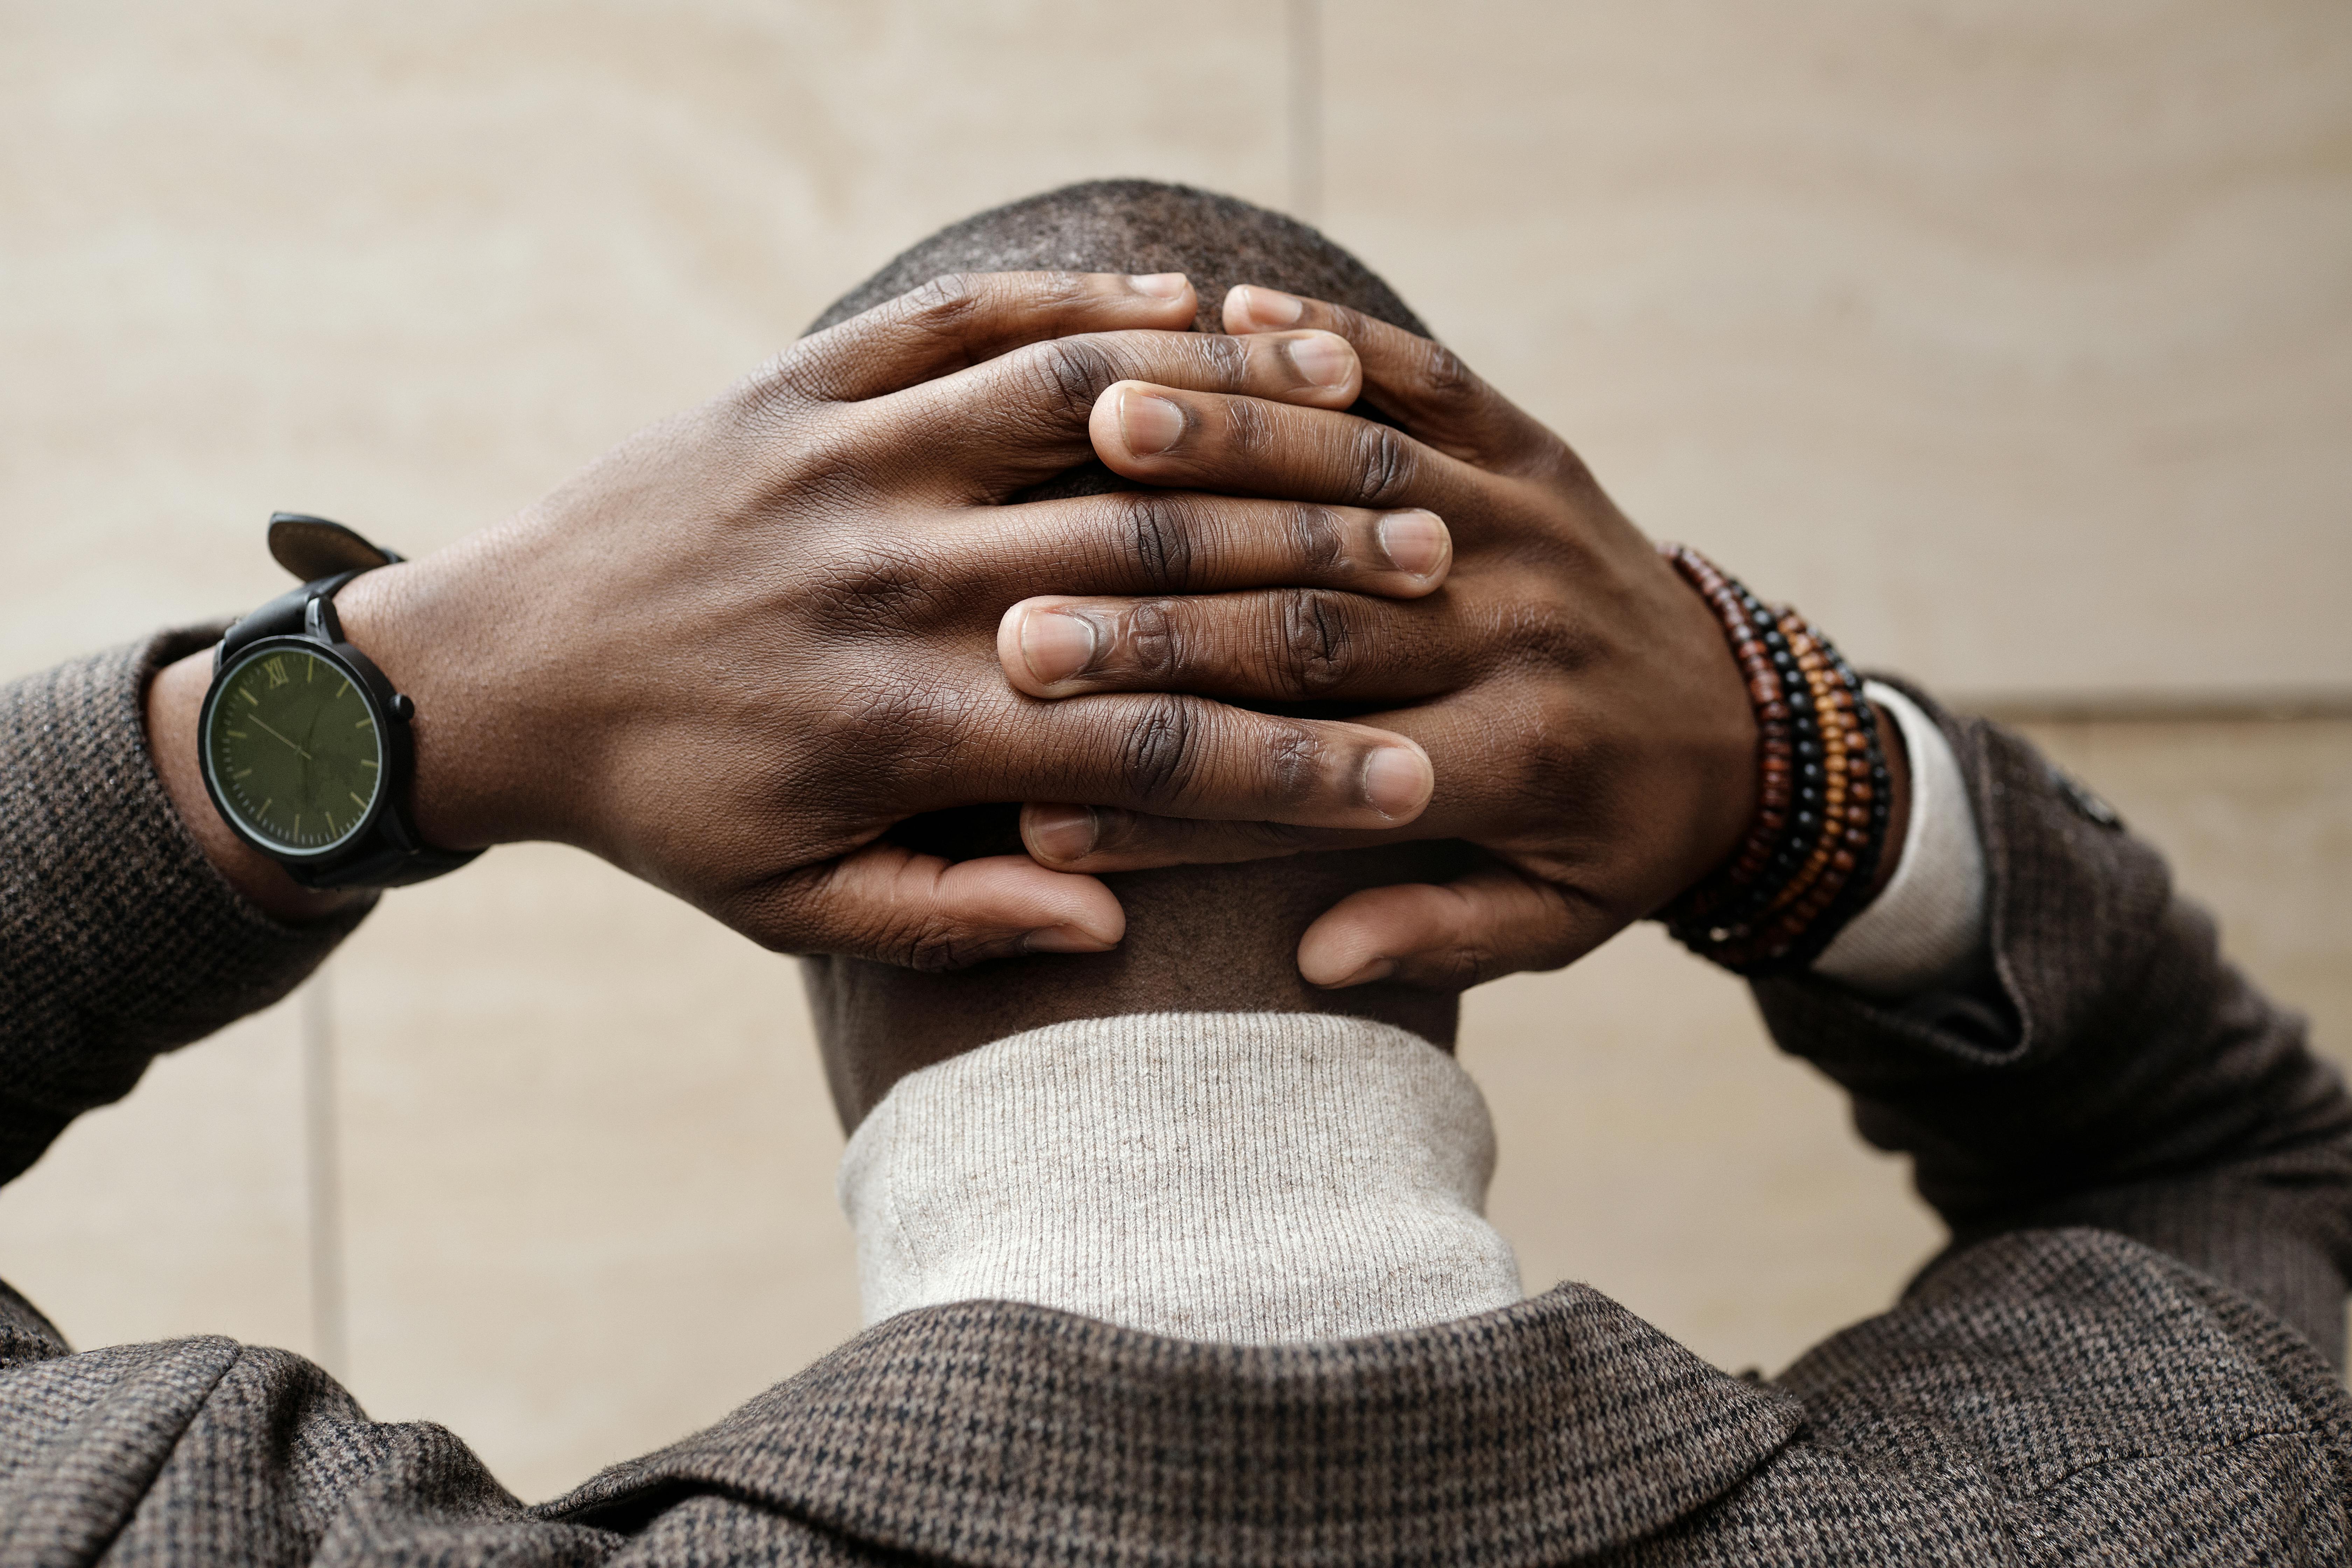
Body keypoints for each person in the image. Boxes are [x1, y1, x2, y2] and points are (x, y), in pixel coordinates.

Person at [0, 180, 2344, 1562]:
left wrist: (398, 696)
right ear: (1524, 772)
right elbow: (2245, 1159)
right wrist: (1787, 765)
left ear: (826, 827)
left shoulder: (159, 1527)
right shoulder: (2175, 1483)